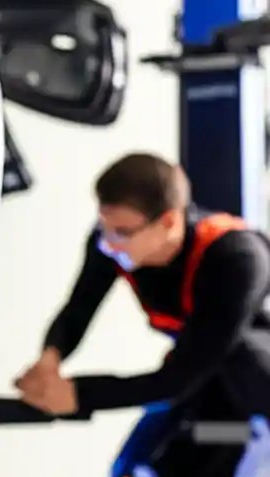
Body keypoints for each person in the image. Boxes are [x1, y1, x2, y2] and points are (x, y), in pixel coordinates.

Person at [15, 152, 270, 421]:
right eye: (103, 227)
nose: (107, 244)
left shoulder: (238, 259)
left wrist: (80, 395)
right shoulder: (111, 242)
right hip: (197, 380)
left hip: (248, 389)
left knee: (239, 392)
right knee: (158, 451)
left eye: (122, 232)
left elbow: (183, 374)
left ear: (168, 222)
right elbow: (80, 306)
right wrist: (50, 358)